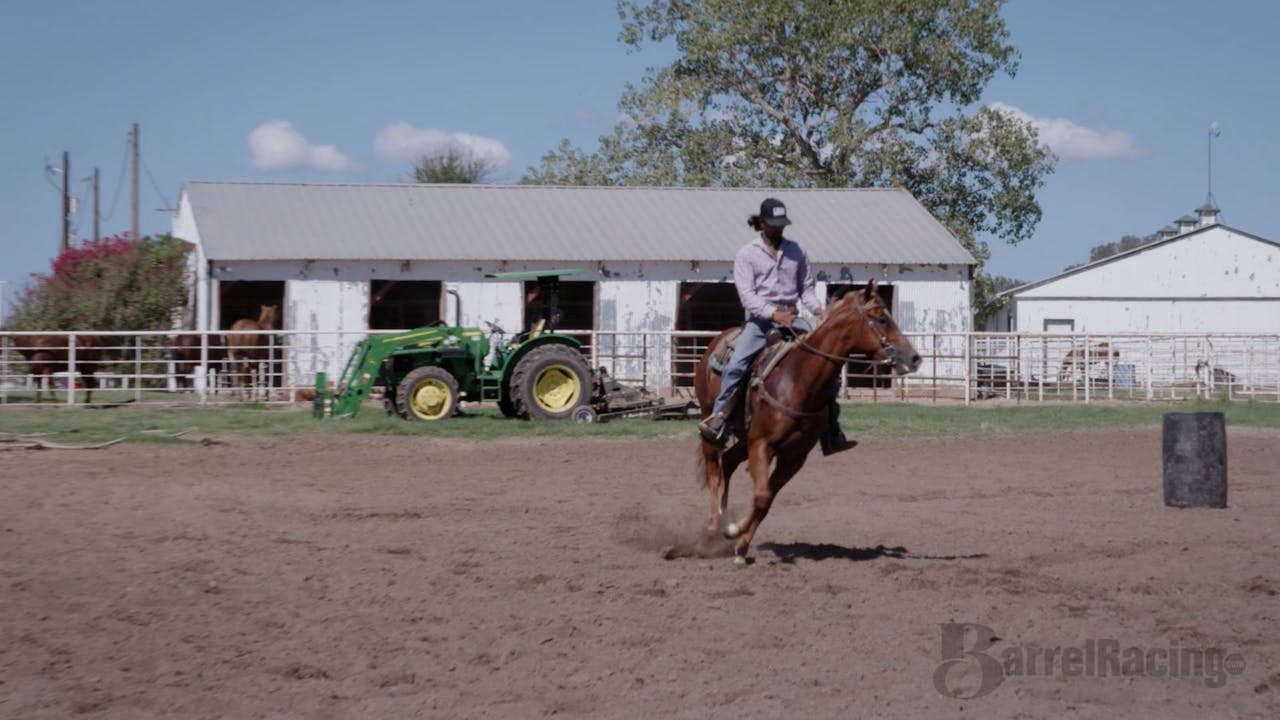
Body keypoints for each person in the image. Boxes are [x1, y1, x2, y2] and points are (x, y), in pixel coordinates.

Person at [698, 198, 853, 455]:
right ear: (761, 223)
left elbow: (806, 288)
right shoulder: (747, 254)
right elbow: (747, 296)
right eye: (773, 224)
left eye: (781, 225)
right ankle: (719, 419)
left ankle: (831, 429)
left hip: (794, 319)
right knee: (736, 366)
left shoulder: (797, 251)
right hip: (760, 322)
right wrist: (773, 314)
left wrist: (818, 310)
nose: (779, 229)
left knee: (827, 366)